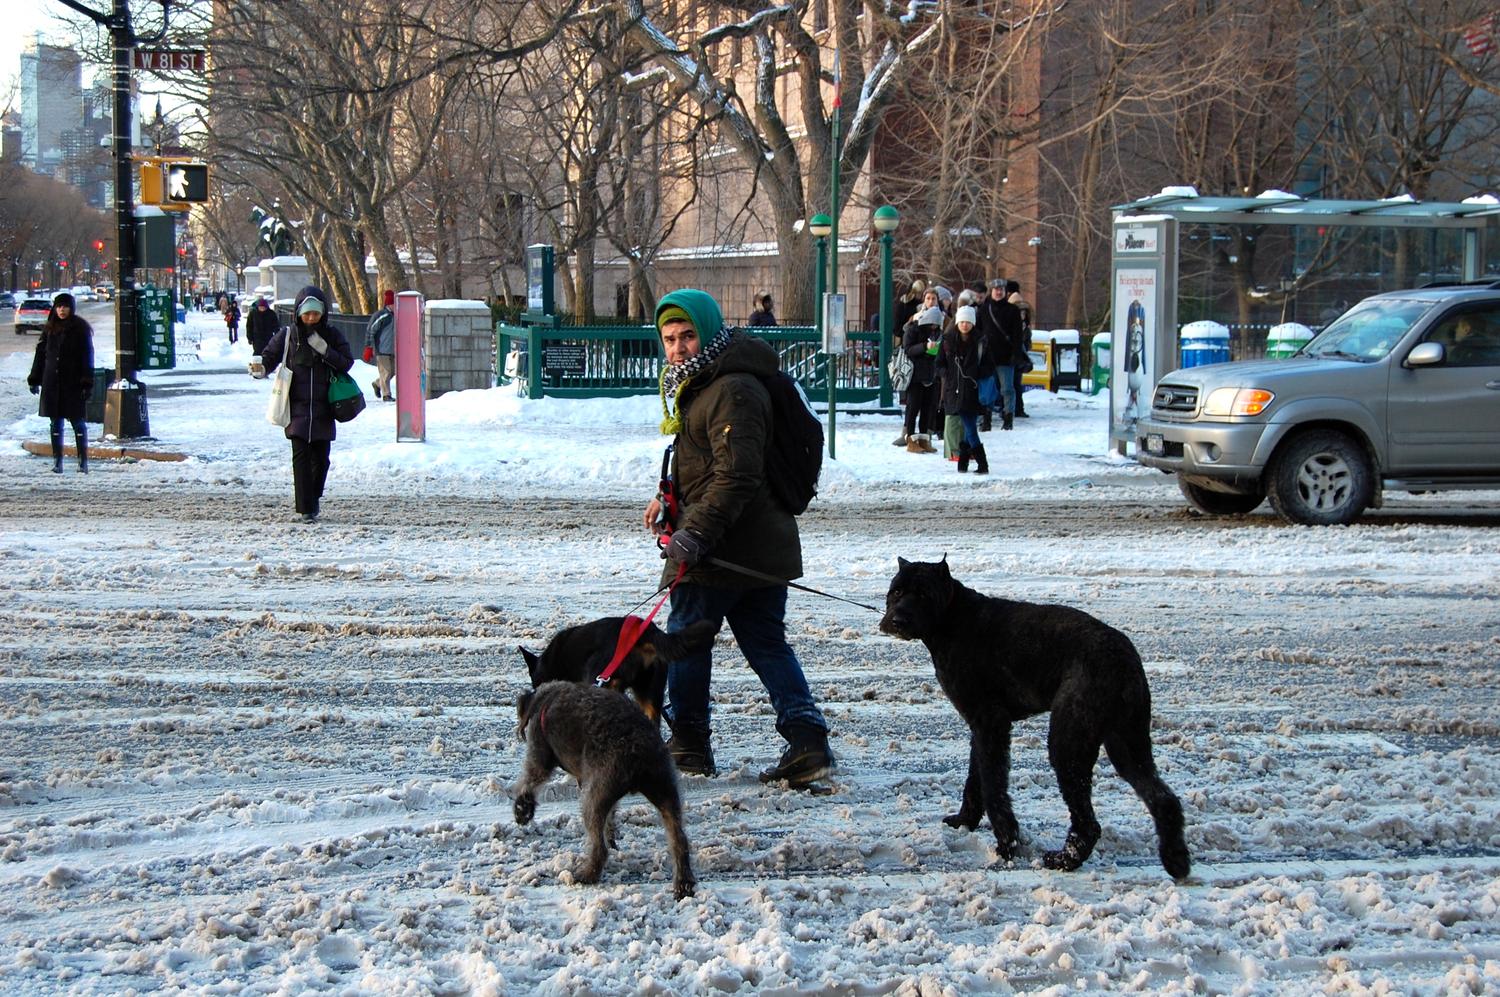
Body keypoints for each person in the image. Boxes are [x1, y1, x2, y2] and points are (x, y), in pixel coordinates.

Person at [642, 288, 834, 787]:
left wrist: (696, 533)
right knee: (766, 642)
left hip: (726, 549)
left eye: (688, 336)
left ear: (708, 333)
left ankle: (688, 742)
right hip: (746, 544)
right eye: (670, 339)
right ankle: (807, 741)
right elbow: (710, 468)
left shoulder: (733, 388)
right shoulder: (708, 382)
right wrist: (670, 502)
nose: (679, 347)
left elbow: (739, 475)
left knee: (686, 641)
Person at [250, 286, 355, 523]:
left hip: (324, 407)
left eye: (315, 314)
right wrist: (261, 368)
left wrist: (325, 350)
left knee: (321, 459)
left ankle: (314, 496)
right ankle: (305, 508)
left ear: (322, 314)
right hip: (295, 406)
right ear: (298, 313)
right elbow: (270, 356)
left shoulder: (332, 335)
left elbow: (346, 363)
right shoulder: (288, 335)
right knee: (300, 457)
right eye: (306, 314)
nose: (310, 319)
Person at [27, 292, 94, 474]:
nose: (62, 310)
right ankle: (57, 462)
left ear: (71, 308)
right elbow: (41, 355)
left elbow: (87, 357)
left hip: (72, 383)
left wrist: (86, 382)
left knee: (78, 423)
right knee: (55, 423)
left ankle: (82, 462)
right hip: (52, 383)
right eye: (59, 306)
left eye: (65, 306)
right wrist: (35, 379)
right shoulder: (50, 329)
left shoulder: (80, 328)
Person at [940, 304, 994, 473]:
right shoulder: (948, 341)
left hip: (972, 389)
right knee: (968, 426)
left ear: (973, 323)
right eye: (962, 321)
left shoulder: (980, 342)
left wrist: (977, 373)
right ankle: (964, 463)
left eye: (968, 322)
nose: (965, 325)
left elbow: (989, 365)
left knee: (970, 427)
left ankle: (981, 464)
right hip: (954, 389)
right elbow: (939, 364)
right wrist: (946, 373)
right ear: (957, 322)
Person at [899, 305, 944, 454]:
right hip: (915, 375)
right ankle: (911, 439)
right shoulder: (913, 330)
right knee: (913, 408)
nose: (934, 327)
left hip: (931, 374)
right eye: (933, 324)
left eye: (936, 325)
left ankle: (924, 439)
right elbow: (908, 350)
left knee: (928, 408)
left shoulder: (938, 333)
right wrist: (925, 346)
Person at [977, 278, 1019, 430]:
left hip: (1006, 356)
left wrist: (1016, 353)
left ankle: (1008, 418)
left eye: (1001, 289)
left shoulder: (1013, 311)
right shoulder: (983, 310)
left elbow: (1017, 335)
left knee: (1007, 388)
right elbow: (978, 332)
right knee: (987, 389)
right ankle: (986, 419)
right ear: (991, 291)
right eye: (996, 289)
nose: (999, 292)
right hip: (988, 356)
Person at [364, 290, 396, 401]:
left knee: (393, 371)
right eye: (393, 304)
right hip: (381, 349)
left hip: (393, 350)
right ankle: (386, 395)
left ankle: (377, 384)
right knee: (386, 372)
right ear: (389, 304)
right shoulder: (381, 316)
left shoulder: (395, 316)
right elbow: (370, 330)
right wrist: (368, 347)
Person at [1007, 280, 1032, 418]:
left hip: (1015, 355)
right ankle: (1017, 408)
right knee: (1014, 384)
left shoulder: (1018, 322)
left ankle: (1016, 408)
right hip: (1016, 354)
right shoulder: (1023, 324)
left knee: (1014, 383)